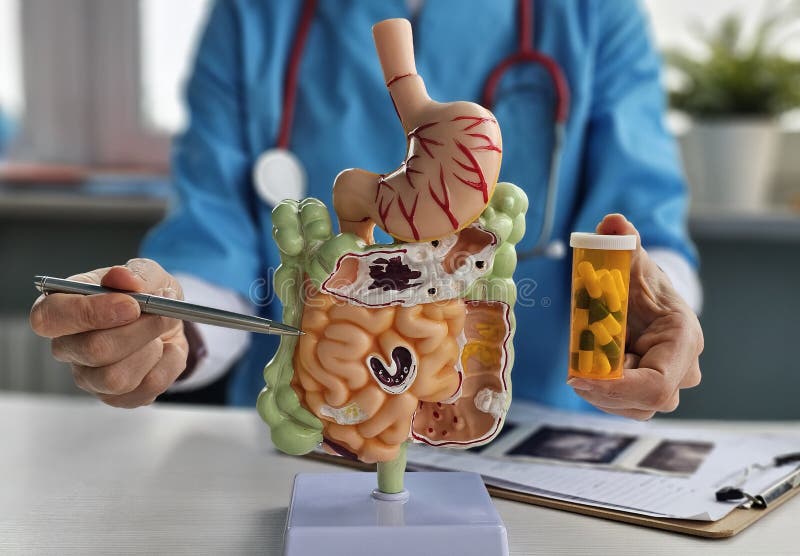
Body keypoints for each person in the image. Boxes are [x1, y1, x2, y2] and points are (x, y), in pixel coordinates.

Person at [30, 0, 703, 420]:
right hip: (324, 430)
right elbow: (213, 244)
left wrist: (651, 311)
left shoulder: (594, 14)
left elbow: (640, 229)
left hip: (546, 433)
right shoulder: (253, 17)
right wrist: (169, 325)